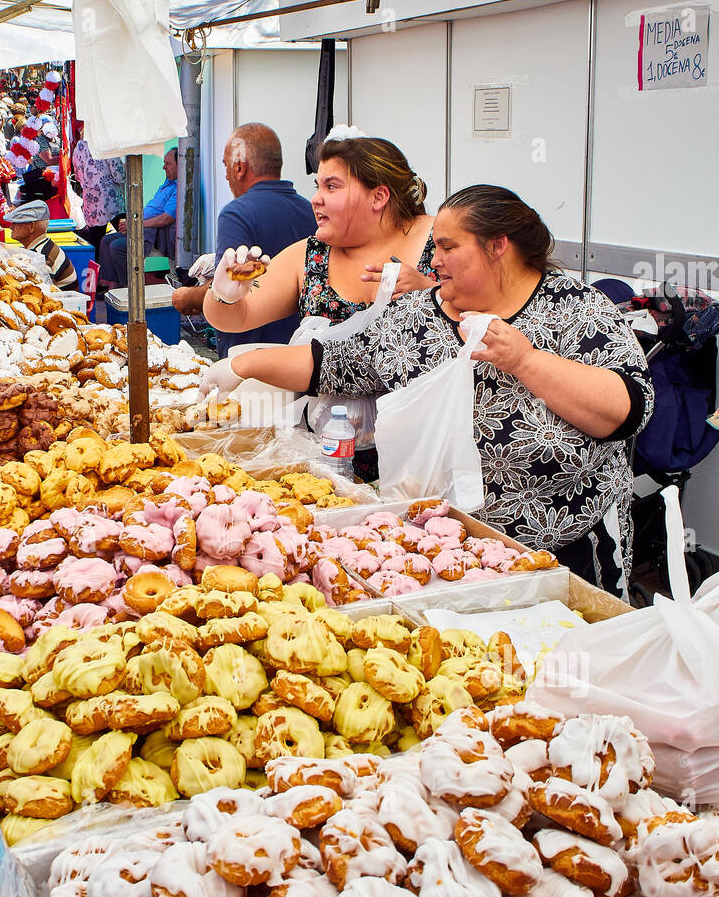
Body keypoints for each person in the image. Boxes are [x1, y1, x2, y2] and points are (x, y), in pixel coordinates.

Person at [204, 184, 653, 596]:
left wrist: (526, 361)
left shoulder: (574, 309)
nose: (433, 261)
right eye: (434, 246)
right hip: (443, 559)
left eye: (448, 247)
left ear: (499, 247)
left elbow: (627, 411)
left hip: (562, 555)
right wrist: (242, 364)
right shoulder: (418, 315)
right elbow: (334, 363)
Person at [202, 130, 435, 343]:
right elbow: (237, 318)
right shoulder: (311, 256)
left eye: (331, 187)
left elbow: (470, 319)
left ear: (378, 197)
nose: (315, 199)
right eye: (318, 187)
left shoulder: (439, 239)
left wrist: (433, 292)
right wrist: (222, 295)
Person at [171, 123, 315, 357]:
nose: (226, 175)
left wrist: (186, 296)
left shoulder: (237, 213)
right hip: (299, 355)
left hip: (250, 357)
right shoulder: (308, 210)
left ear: (239, 168)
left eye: (226, 166)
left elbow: (232, 288)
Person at [99, 146, 178, 290]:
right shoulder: (167, 184)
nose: (163, 167)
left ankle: (130, 288)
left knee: (118, 247)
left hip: (151, 235)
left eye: (168, 164)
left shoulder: (178, 188)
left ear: (180, 165)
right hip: (141, 228)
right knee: (106, 241)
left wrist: (136, 225)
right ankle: (113, 286)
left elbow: (166, 219)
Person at [70, 122, 125, 257]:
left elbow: (78, 175)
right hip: (111, 198)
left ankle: (97, 273)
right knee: (123, 236)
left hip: (91, 198)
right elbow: (119, 175)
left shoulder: (80, 146)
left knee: (95, 241)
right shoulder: (107, 145)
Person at [4, 199, 78, 291]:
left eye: (16, 223)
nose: (11, 227)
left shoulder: (40, 255)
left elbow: (41, 292)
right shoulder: (44, 246)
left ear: (31, 227)